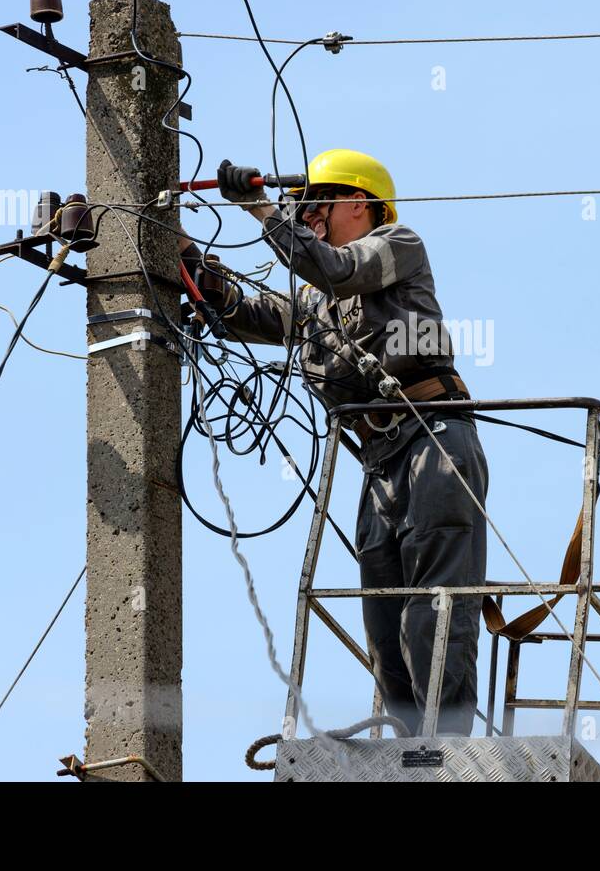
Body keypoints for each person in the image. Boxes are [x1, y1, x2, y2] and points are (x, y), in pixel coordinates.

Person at [186, 149, 489, 737]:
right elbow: (249, 312)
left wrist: (262, 211)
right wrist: (190, 263)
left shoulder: (398, 246)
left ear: (358, 202)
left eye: (316, 201)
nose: (307, 213)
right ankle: (412, 751)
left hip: (434, 440)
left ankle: (445, 751)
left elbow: (336, 269)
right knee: (383, 621)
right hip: (378, 461)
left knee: (433, 611)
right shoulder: (317, 300)